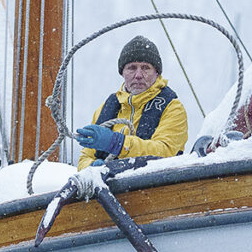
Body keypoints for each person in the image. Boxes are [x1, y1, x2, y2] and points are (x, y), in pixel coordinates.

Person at [74, 36, 189, 166]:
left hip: (155, 184)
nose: (138, 75)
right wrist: (91, 168)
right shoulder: (105, 109)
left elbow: (165, 152)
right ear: (122, 72)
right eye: (132, 68)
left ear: (157, 73)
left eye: (145, 68)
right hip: (111, 185)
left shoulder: (172, 108)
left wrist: (118, 143)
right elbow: (84, 158)